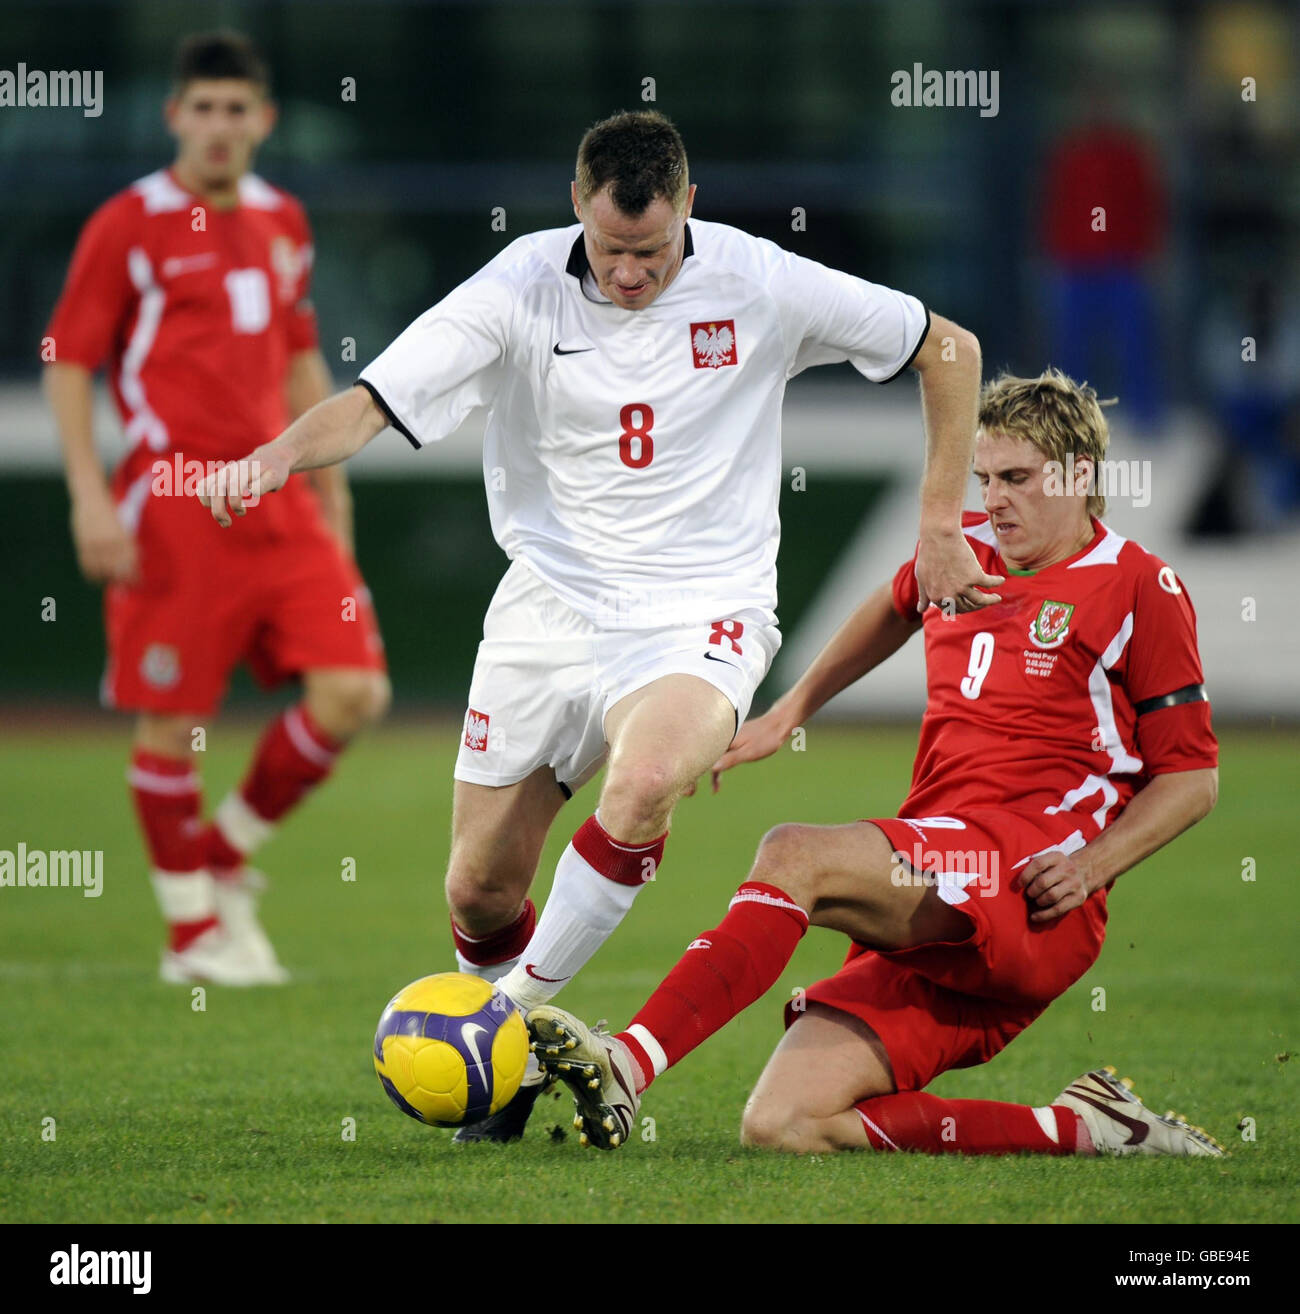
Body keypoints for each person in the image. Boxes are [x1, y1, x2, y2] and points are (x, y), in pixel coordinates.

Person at [200, 109, 998, 1139]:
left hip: (700, 609)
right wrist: (273, 458)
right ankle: (506, 1063)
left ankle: (500, 1024)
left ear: (690, 211)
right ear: (578, 206)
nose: (632, 274)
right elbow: (370, 401)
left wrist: (940, 522)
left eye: (654, 251)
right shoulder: (516, 287)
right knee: (480, 888)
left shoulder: (758, 280)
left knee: (648, 778)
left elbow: (949, 348)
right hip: (547, 609)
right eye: (615, 251)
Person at [529, 369, 1224, 1159]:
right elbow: (896, 603)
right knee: (785, 1123)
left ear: (1080, 476)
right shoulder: (961, 551)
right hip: (944, 876)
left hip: (1027, 877)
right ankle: (1092, 1127)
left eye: (1018, 479)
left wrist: (1094, 866)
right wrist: (792, 707)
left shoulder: (1139, 585)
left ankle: (627, 1061)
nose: (995, 499)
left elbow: (1193, 778)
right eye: (986, 478)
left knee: (794, 853)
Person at [44, 31, 390, 985]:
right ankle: (191, 935)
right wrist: (88, 496)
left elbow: (296, 359)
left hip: (275, 494)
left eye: (238, 109)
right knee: (171, 717)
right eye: (203, 108)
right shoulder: (129, 222)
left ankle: (225, 853)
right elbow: (69, 361)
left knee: (354, 690)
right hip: (173, 498)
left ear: (264, 121)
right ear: (175, 118)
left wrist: (333, 487)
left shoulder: (284, 218)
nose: (220, 126)